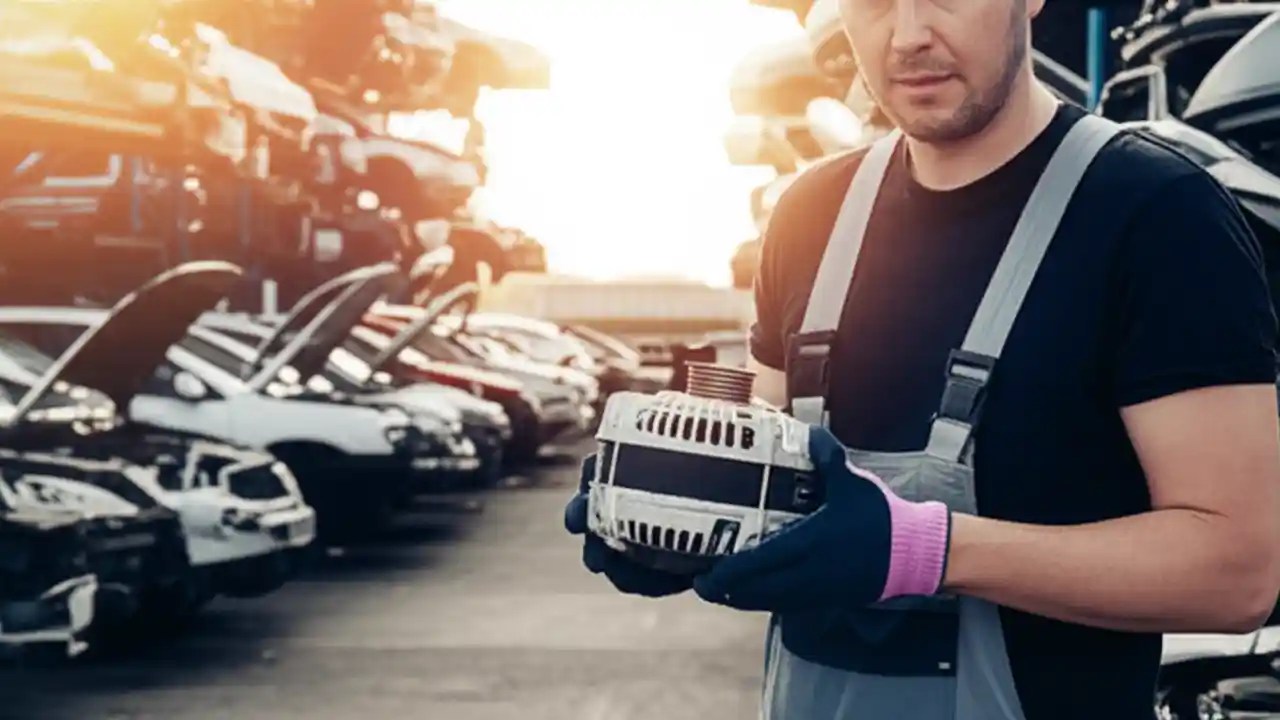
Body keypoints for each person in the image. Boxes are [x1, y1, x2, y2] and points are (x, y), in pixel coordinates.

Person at [564, 0, 1280, 717]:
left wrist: (925, 553)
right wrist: (679, 519)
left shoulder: (1157, 214)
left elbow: (1238, 572)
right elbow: (772, 486)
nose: (908, 36)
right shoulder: (808, 215)